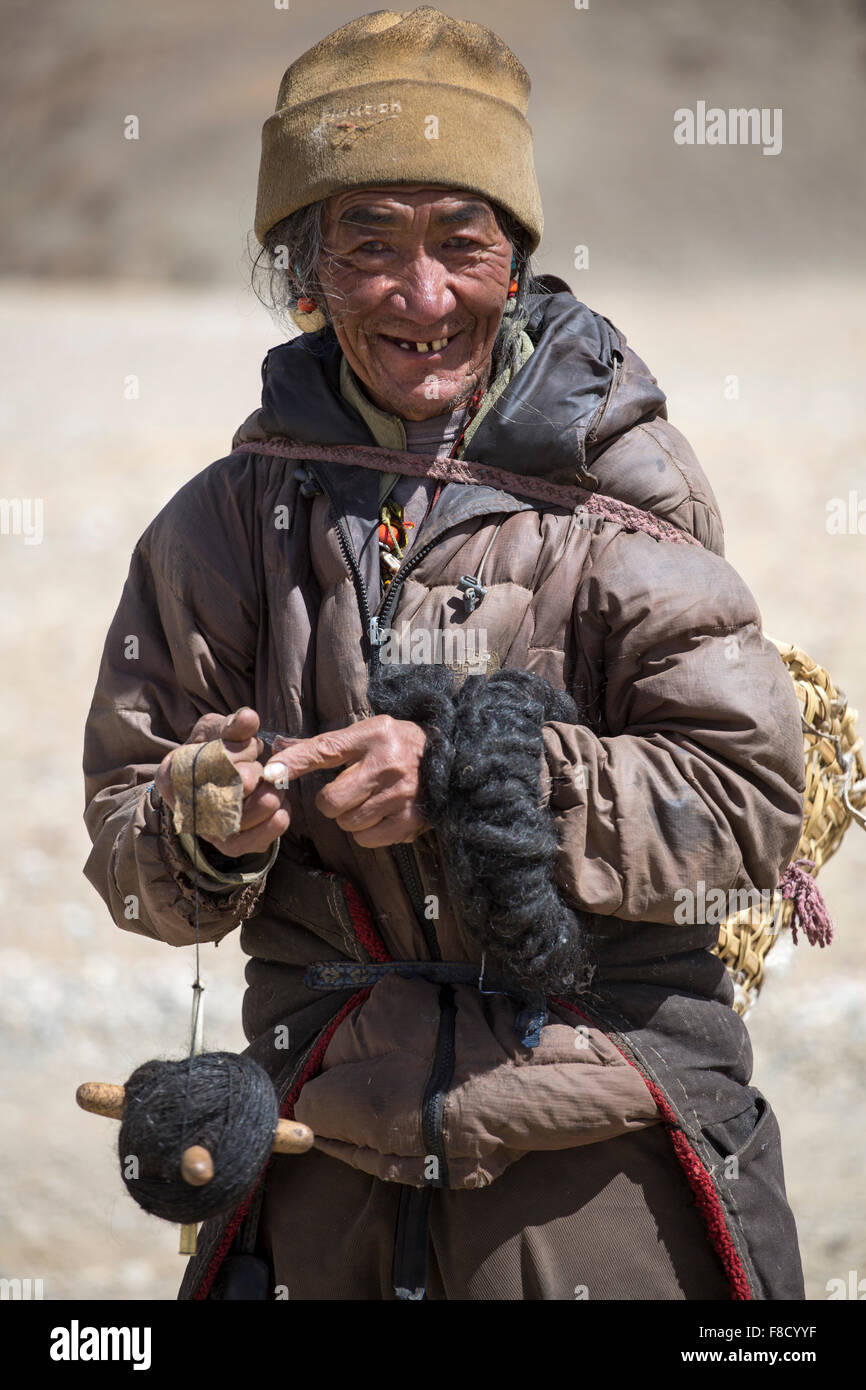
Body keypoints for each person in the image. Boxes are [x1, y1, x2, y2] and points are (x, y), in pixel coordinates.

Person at [83, 7, 807, 1300]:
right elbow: (134, 861)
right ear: (302, 274)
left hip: (600, 1149)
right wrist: (205, 825)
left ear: (515, 262)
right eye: (369, 247)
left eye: (460, 245)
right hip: (322, 1159)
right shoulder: (227, 526)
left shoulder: (622, 504)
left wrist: (477, 780)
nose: (423, 297)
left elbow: (748, 806)